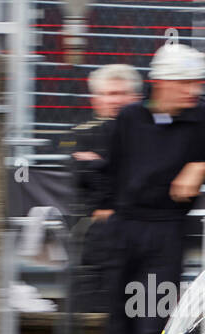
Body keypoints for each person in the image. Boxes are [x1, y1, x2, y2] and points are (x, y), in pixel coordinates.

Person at [100, 41, 205, 334]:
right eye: (186, 82)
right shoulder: (129, 118)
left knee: (148, 324)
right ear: (161, 82)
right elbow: (109, 169)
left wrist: (203, 165)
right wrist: (104, 212)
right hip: (124, 230)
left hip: (165, 232)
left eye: (197, 82)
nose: (194, 90)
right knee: (116, 332)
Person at [60, 63, 141, 312]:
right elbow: (85, 181)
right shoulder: (81, 136)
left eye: (119, 94)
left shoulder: (149, 136)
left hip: (137, 239)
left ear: (135, 98)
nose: (113, 100)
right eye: (107, 94)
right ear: (95, 100)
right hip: (93, 243)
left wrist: (99, 165)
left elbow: (137, 185)